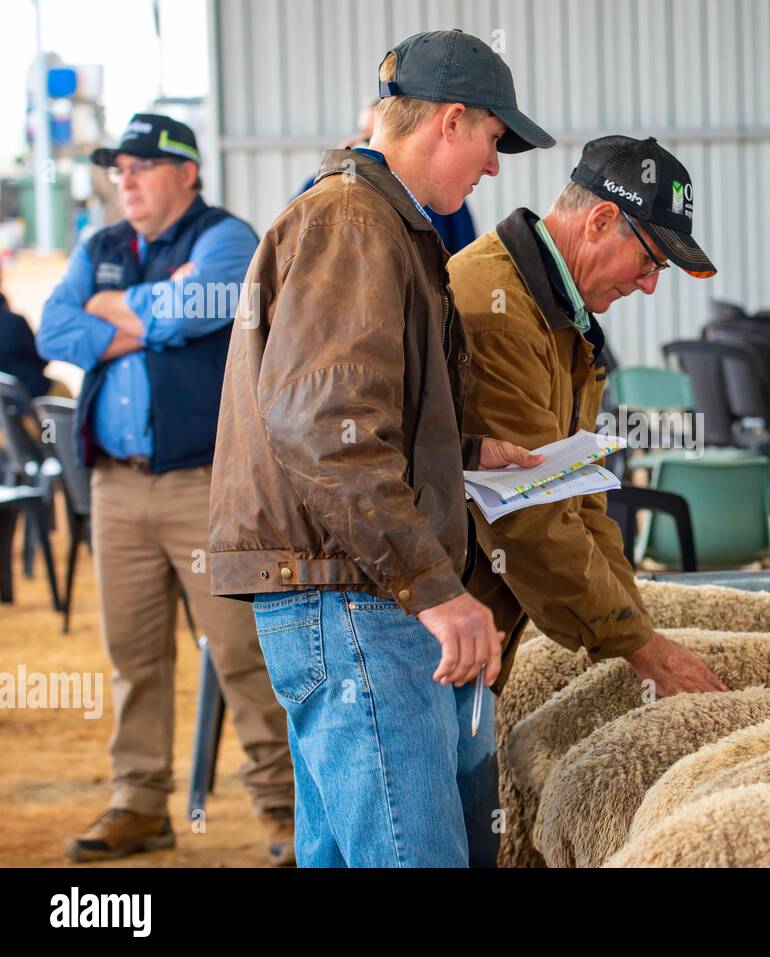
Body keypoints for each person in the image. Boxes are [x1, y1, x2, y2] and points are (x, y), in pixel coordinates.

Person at [208, 29, 554, 868]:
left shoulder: (377, 222)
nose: (495, 166)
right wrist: (437, 589)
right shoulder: (354, 222)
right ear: (450, 119)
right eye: (492, 140)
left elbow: (344, 410)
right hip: (354, 597)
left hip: (338, 589)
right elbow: (324, 426)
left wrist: (463, 447)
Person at [36, 113, 297, 864]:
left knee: (240, 649)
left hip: (205, 485)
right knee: (133, 653)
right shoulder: (102, 246)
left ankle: (283, 812)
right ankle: (139, 803)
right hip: (116, 486)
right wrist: (149, 312)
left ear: (186, 170)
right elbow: (55, 329)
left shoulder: (225, 238)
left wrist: (117, 312)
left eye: (141, 165)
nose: (126, 179)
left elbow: (199, 308)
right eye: (118, 168)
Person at [448, 136, 729, 711]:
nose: (649, 284)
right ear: (600, 220)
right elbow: (530, 514)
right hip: (431, 632)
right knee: (428, 797)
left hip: (469, 627)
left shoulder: (563, 317)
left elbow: (578, 494)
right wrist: (640, 647)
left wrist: (637, 627)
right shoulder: (501, 315)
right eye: (650, 260)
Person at [294, 98, 477, 253]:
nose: (372, 144)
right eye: (366, 136)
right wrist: (335, 170)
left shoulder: (437, 192)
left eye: (376, 135)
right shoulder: (322, 185)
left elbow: (464, 257)